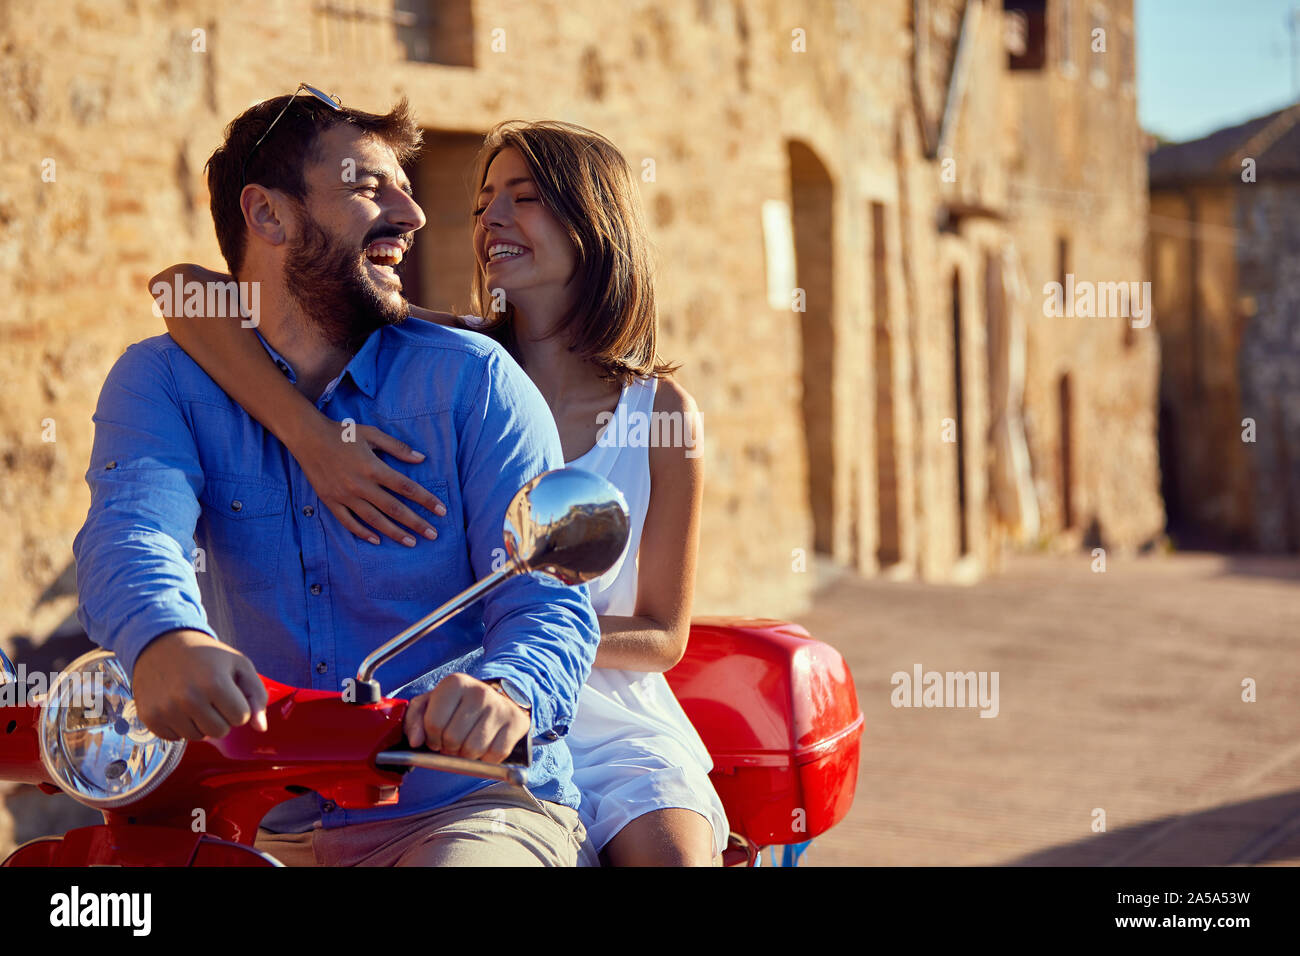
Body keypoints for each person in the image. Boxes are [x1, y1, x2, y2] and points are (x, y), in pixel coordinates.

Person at [151, 119, 729, 866]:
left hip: (602, 720)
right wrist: (309, 435)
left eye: (523, 199)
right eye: (485, 201)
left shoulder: (663, 411)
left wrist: (505, 653)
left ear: (594, 221)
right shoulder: (462, 362)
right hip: (448, 728)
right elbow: (183, 291)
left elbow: (662, 633)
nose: (490, 219)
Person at [76, 88, 602, 867]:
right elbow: (131, 528)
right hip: (257, 812)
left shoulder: (473, 381)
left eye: (408, 187)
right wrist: (164, 637)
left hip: (468, 807)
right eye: (368, 186)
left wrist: (506, 692)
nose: (413, 214)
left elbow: (546, 598)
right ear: (269, 216)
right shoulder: (161, 382)